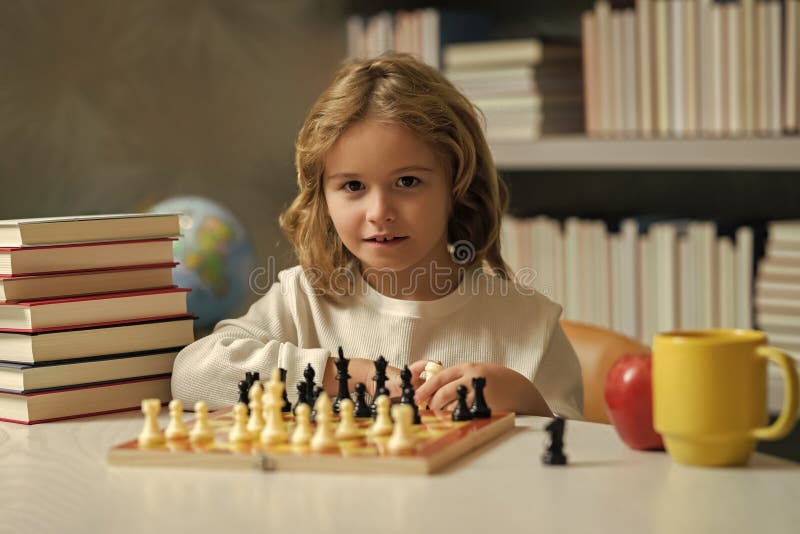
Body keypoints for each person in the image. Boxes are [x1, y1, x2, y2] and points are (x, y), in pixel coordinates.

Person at [171, 53, 583, 419]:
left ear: (458, 186)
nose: (380, 212)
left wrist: (524, 398)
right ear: (323, 197)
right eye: (352, 186)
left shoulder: (531, 325)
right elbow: (193, 375)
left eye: (407, 181)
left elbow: (574, 465)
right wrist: (347, 376)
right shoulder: (303, 301)